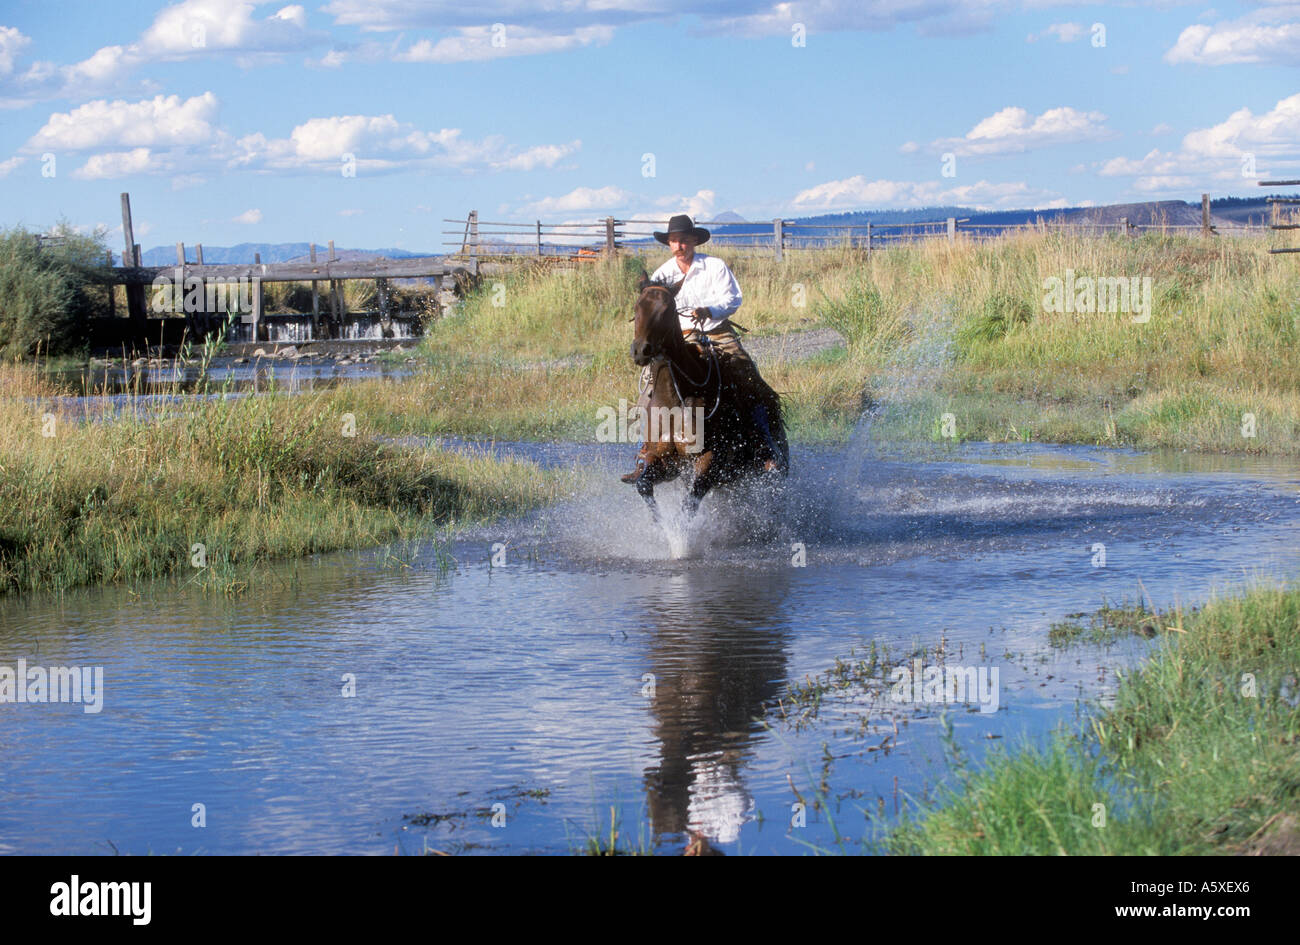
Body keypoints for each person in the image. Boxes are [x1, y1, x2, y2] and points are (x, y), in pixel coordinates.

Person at [622, 214, 780, 481]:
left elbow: (733, 298)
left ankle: (764, 447)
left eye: (683, 240)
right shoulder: (662, 274)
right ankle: (646, 450)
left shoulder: (714, 266)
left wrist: (710, 310)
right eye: (674, 241)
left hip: (715, 332)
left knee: (747, 377)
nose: (679, 246)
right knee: (649, 388)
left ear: (694, 240)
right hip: (677, 339)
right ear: (669, 244)